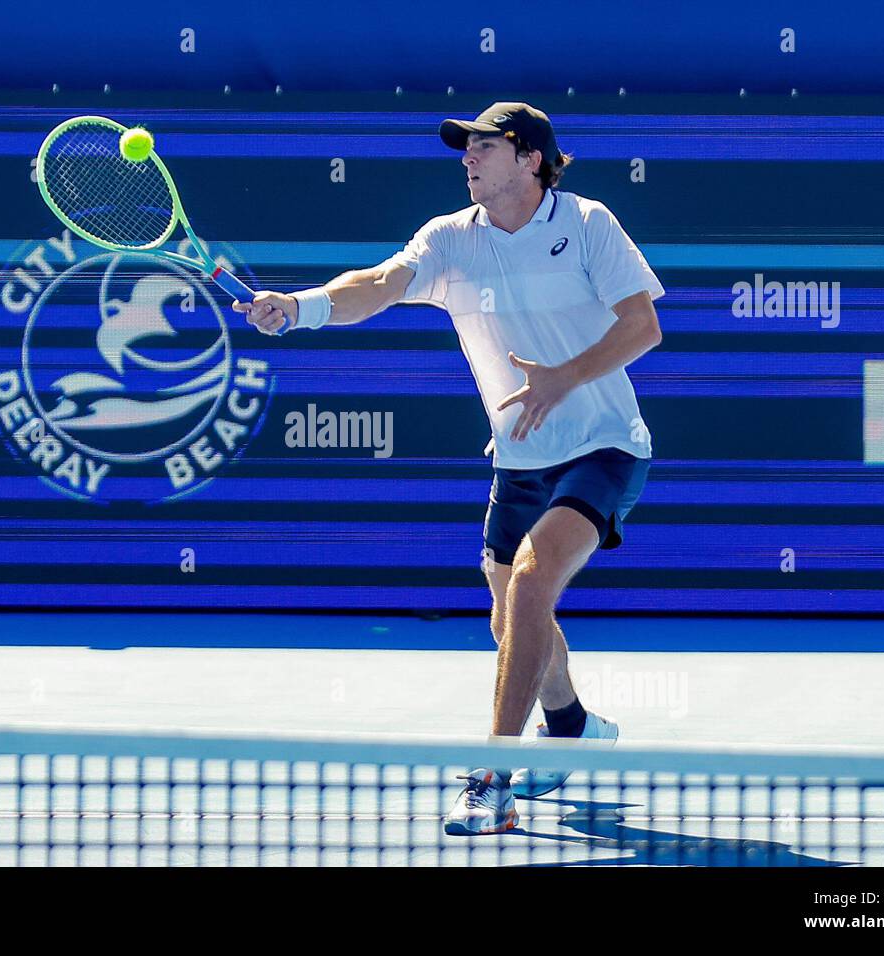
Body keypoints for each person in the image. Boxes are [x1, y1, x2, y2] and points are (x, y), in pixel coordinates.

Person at [232, 102, 664, 836]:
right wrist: (299, 307)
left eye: (484, 146)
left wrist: (563, 376)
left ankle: (493, 777)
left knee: (530, 584)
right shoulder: (450, 241)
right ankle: (571, 728)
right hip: (521, 453)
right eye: (464, 147)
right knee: (511, 612)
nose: (467, 156)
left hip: (604, 444)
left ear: (530, 158)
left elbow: (643, 325)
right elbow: (375, 284)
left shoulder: (588, 224)